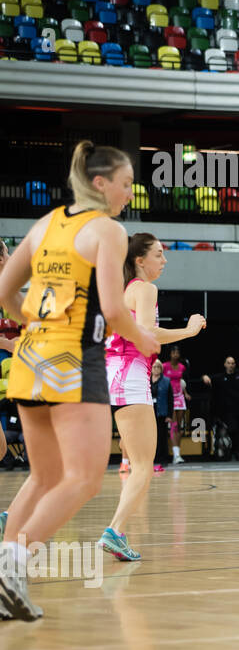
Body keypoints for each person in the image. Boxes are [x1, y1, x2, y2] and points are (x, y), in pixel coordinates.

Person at [0, 141, 160, 620]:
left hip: (30, 357)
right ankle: (13, 563)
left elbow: (5, 292)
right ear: (100, 184)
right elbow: (113, 309)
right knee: (85, 478)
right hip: (73, 360)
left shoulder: (45, 223)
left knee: (46, 475)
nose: (130, 193)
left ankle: (9, 574)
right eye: (126, 184)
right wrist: (144, 339)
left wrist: (32, 328)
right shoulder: (107, 230)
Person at [99, 234, 206, 561]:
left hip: (113, 374)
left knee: (133, 458)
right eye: (159, 254)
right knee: (144, 466)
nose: (165, 260)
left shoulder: (121, 290)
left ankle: (117, 531)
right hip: (130, 376)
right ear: (140, 260)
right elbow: (147, 332)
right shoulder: (145, 289)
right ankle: (115, 531)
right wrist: (188, 331)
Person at [204, 356, 239, 459]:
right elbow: (208, 378)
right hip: (228, 410)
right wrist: (205, 377)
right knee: (233, 429)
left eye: (232, 363)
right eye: (229, 363)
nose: (231, 365)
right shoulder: (221, 377)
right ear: (225, 364)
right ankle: (235, 451)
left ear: (235, 365)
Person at [161, 346, 189, 464]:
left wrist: (186, 393)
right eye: (173, 352)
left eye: (178, 352)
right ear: (170, 354)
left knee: (179, 426)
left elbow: (182, 382)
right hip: (170, 398)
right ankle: (175, 455)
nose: (175, 354)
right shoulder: (164, 366)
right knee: (173, 425)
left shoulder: (182, 367)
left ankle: (178, 454)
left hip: (180, 397)